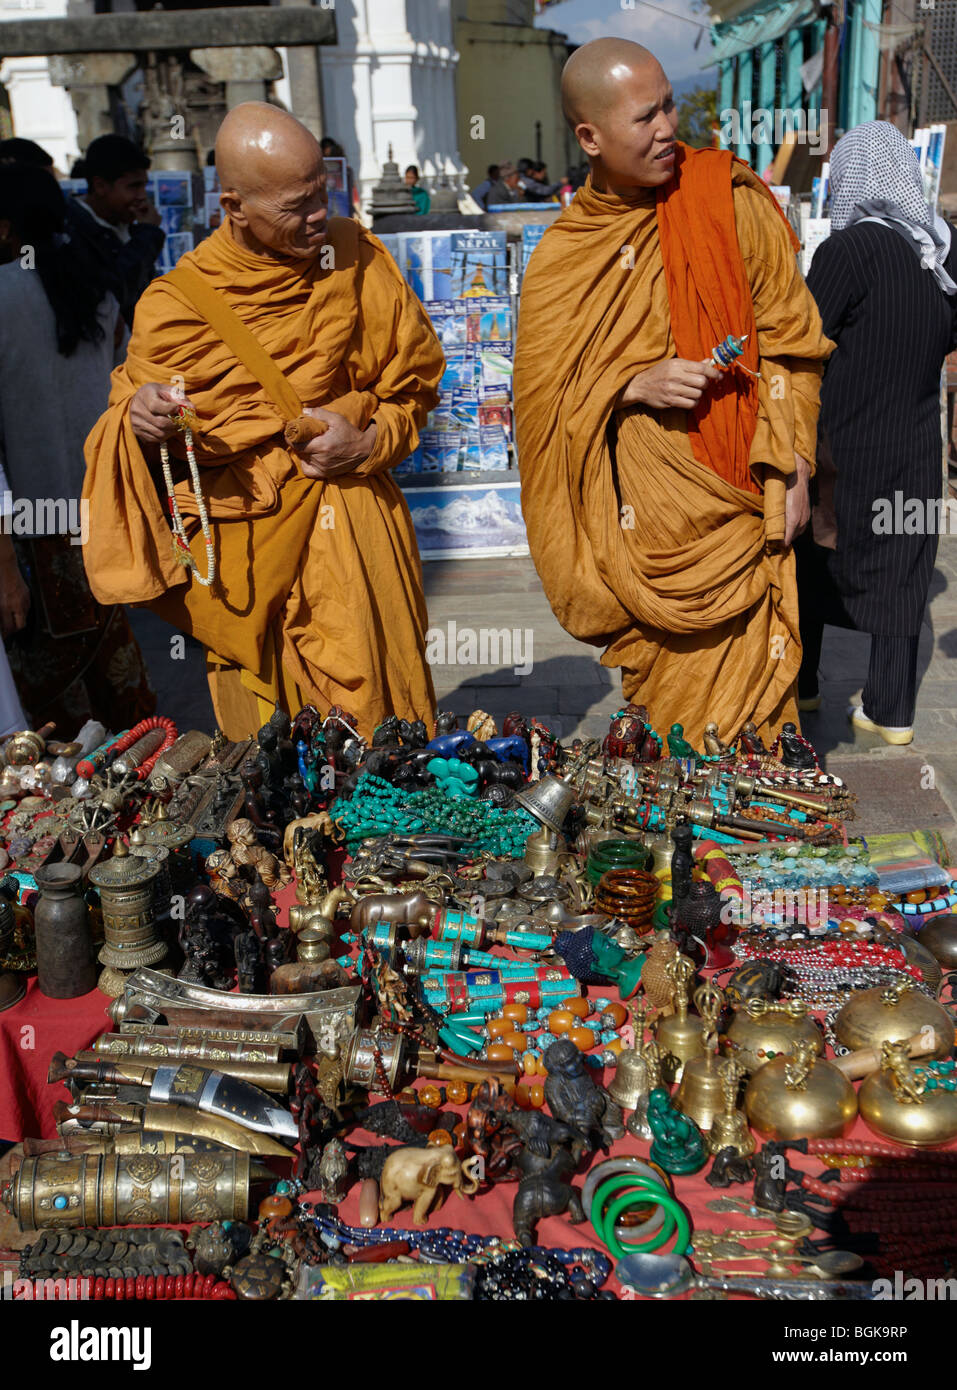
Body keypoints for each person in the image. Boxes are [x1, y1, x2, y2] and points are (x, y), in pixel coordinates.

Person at [82, 103, 444, 741]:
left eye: (321, 194)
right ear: (233, 207)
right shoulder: (175, 305)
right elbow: (131, 427)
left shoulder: (357, 260)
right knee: (272, 756)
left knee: (382, 733)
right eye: (294, 205)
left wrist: (368, 439)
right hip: (249, 561)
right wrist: (140, 421)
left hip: (360, 536)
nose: (316, 217)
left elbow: (413, 392)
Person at [514, 38, 834, 747]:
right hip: (647, 537)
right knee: (676, 736)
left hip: (740, 502)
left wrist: (793, 462)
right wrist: (629, 384)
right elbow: (542, 415)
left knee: (755, 732)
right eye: (643, 117)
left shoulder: (724, 199)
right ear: (588, 137)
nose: (666, 128)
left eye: (667, 106)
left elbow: (792, 343)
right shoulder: (565, 256)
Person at [796, 121, 957, 745]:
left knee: (813, 561)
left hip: (846, 449)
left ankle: (804, 684)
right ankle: (891, 713)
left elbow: (803, 338)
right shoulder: (941, 254)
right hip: (917, 451)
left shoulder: (850, 250)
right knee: (904, 575)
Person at [0, 163, 155, 730]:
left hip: (30, 530)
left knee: (53, 708)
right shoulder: (95, 290)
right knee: (114, 669)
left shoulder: (3, 295)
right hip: (98, 509)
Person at [65, 134, 165, 327]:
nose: (142, 196)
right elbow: (114, 296)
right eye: (133, 187)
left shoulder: (128, 225)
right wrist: (147, 235)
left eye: (144, 186)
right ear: (100, 186)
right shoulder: (72, 234)